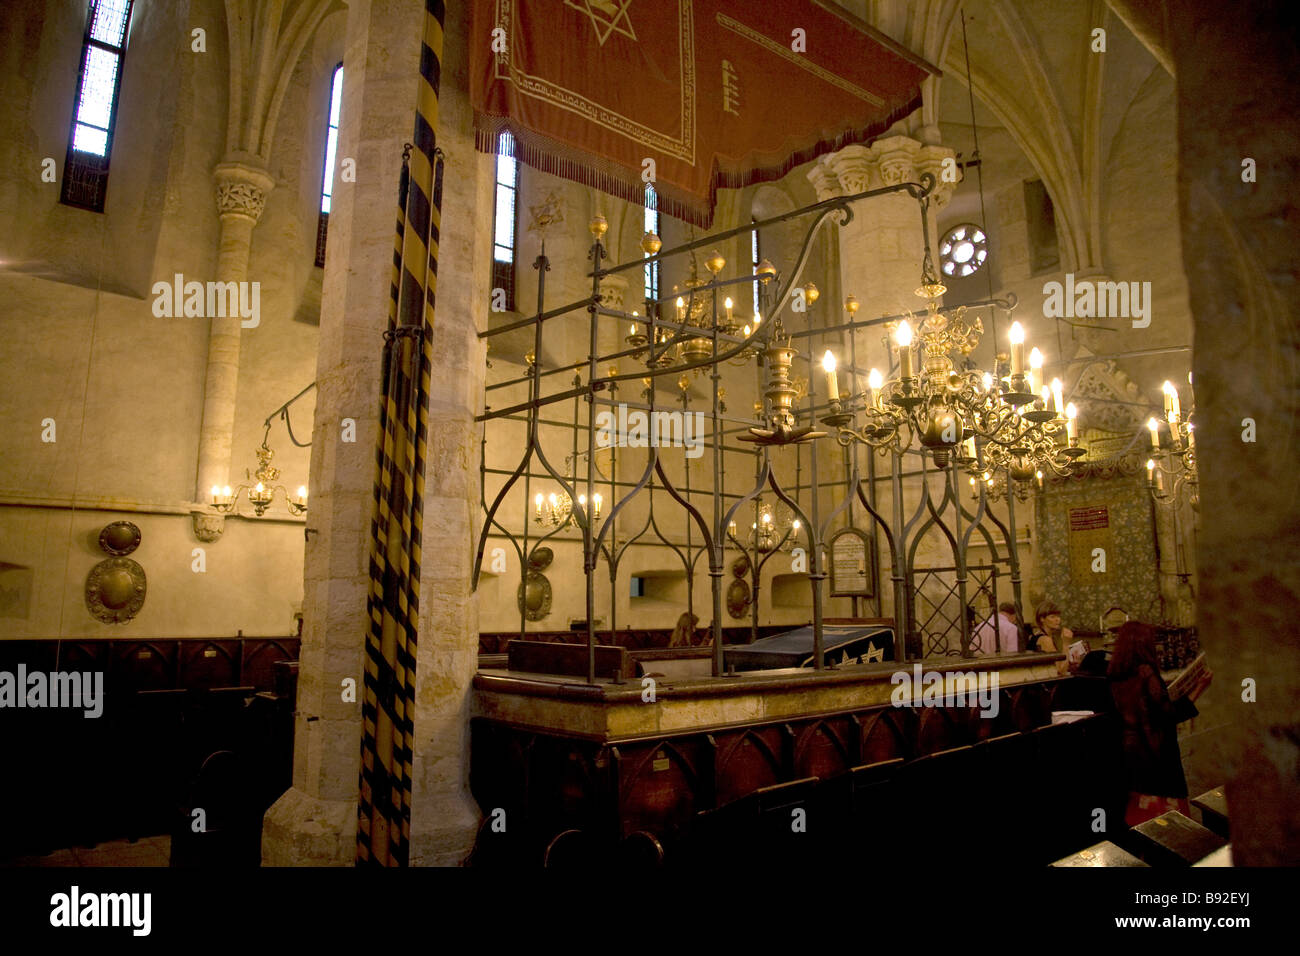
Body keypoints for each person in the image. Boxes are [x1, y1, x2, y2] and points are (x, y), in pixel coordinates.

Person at [1108, 621, 1212, 826]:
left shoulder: (1116, 673)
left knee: (1141, 809)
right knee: (1169, 816)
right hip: (1154, 748)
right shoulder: (1146, 671)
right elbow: (1168, 714)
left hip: (1131, 749)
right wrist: (1200, 687)